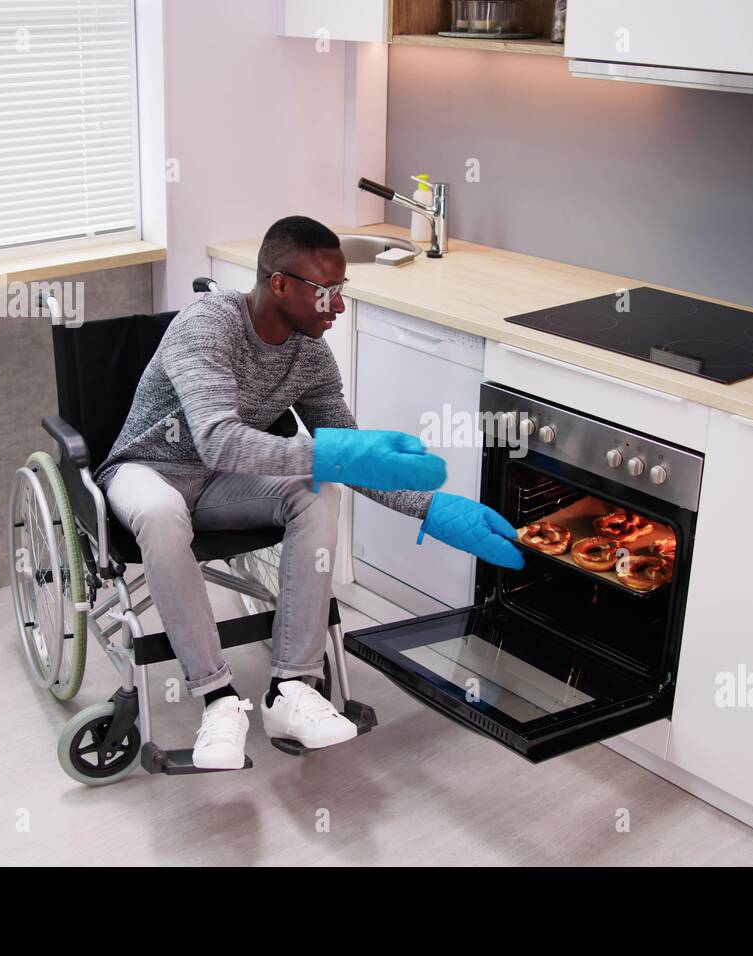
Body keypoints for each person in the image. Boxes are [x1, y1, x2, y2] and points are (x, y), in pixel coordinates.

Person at [93, 215, 523, 768]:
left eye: (342, 292)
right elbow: (219, 439)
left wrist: (430, 508)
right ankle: (218, 699)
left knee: (318, 490)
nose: (338, 308)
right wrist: (331, 454)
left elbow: (346, 451)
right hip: (147, 470)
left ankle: (291, 688)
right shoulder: (208, 327)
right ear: (280, 284)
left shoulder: (310, 354)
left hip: (222, 487)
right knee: (160, 511)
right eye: (327, 293)